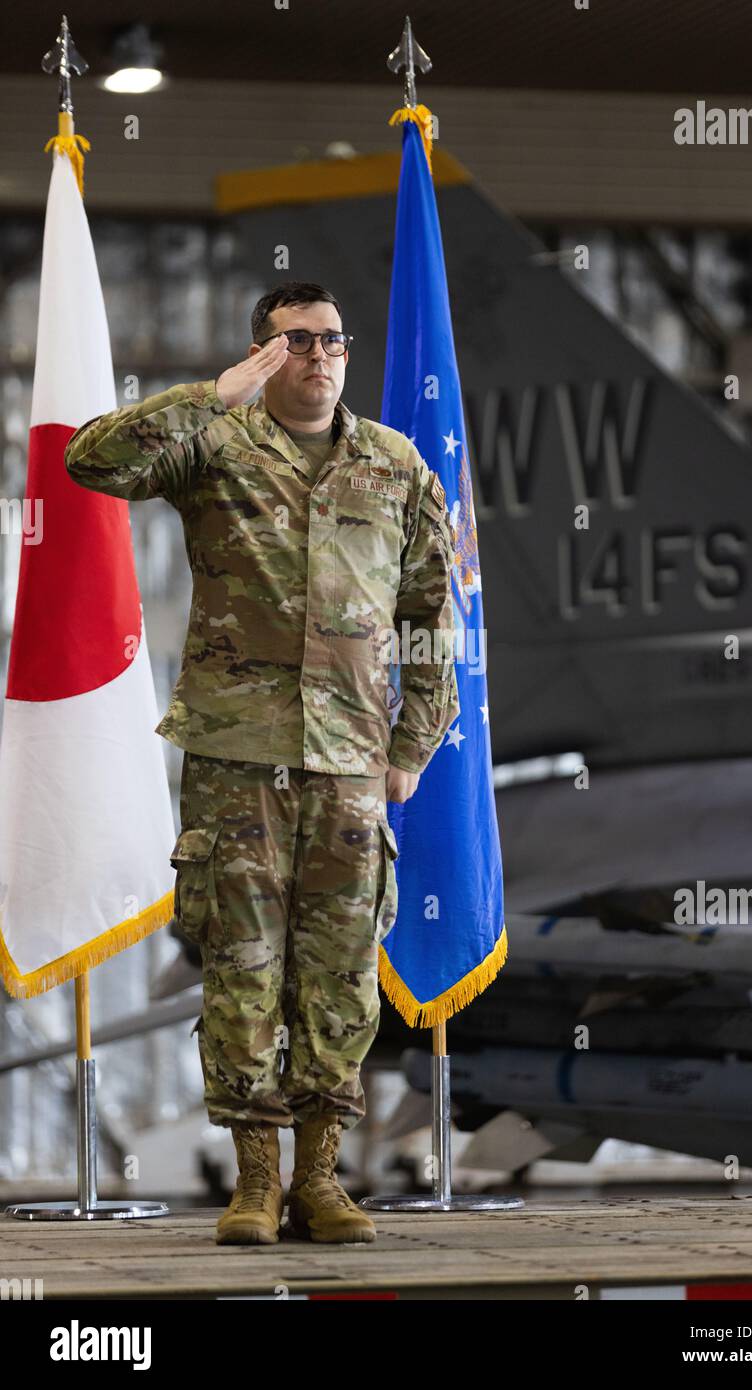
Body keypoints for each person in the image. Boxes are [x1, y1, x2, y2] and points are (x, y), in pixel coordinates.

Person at [64, 280, 459, 1246]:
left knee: (340, 974)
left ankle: (321, 1180)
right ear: (263, 353)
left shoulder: (394, 465)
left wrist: (412, 746)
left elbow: (429, 618)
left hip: (353, 766)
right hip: (237, 757)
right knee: (242, 969)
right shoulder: (214, 446)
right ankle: (254, 1183)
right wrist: (217, 390)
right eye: (295, 344)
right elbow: (92, 462)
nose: (318, 357)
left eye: (331, 340)